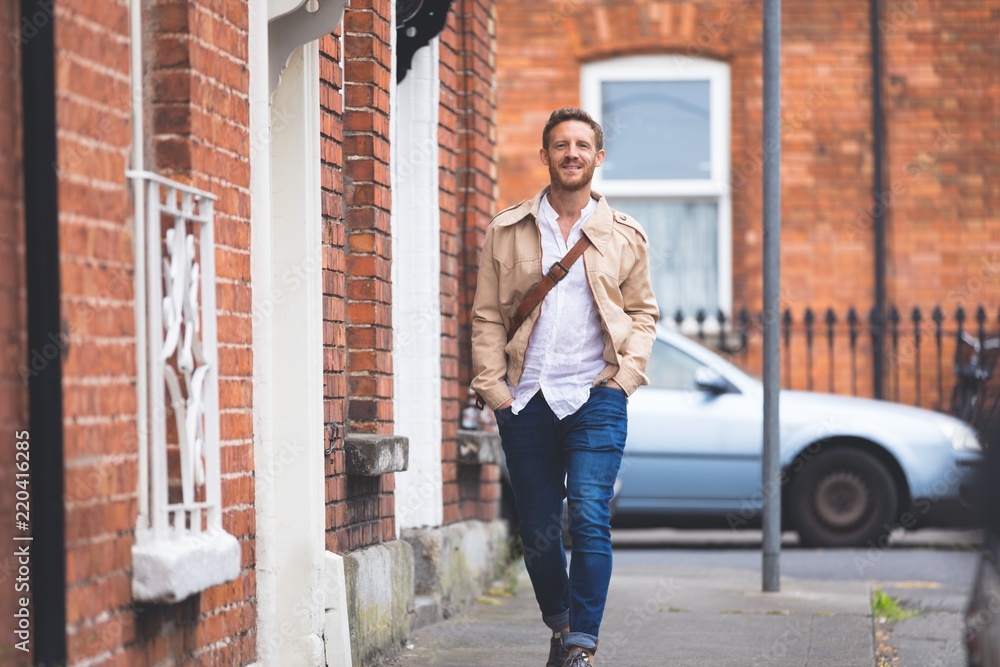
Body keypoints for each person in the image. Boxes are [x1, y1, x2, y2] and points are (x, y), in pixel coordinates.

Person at [471, 107, 659, 666]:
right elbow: (485, 316)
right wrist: (495, 390)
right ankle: (561, 623)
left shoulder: (624, 237)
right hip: (525, 397)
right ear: (546, 155)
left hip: (596, 394)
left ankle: (581, 646)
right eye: (560, 144)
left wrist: (626, 376)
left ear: (598, 158)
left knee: (588, 513)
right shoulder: (505, 231)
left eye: (582, 145)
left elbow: (644, 313)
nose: (571, 153)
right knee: (537, 530)